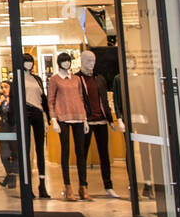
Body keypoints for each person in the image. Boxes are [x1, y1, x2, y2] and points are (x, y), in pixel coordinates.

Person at [77, 50, 121, 199]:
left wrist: (110, 119)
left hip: (101, 120)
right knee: (82, 153)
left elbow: (104, 101)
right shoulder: (77, 79)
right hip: (86, 122)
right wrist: (82, 119)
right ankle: (83, 186)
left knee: (104, 155)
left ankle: (108, 185)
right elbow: (78, 101)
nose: (92, 64)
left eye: (93, 61)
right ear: (82, 61)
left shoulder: (99, 79)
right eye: (88, 61)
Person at [48, 52, 90, 201]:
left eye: (68, 61)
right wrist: (54, 120)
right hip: (62, 117)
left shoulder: (77, 79)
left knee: (81, 152)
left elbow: (80, 98)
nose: (66, 63)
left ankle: (83, 186)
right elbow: (51, 100)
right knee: (65, 151)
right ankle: (68, 186)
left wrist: (85, 119)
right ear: (59, 63)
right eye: (63, 61)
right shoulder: (54, 80)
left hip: (78, 116)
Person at [18, 54, 52, 199]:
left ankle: (42, 185)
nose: (29, 64)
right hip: (25, 112)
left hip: (38, 113)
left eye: (30, 62)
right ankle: (27, 186)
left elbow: (43, 99)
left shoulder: (36, 79)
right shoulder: (18, 79)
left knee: (40, 150)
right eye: (26, 62)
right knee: (26, 150)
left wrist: (47, 118)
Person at [0, 80, 18, 188]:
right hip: (3, 129)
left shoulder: (15, 100)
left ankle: (11, 180)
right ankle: (10, 176)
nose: (4, 89)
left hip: (13, 128)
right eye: (2, 87)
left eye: (6, 87)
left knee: (15, 154)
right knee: (4, 154)